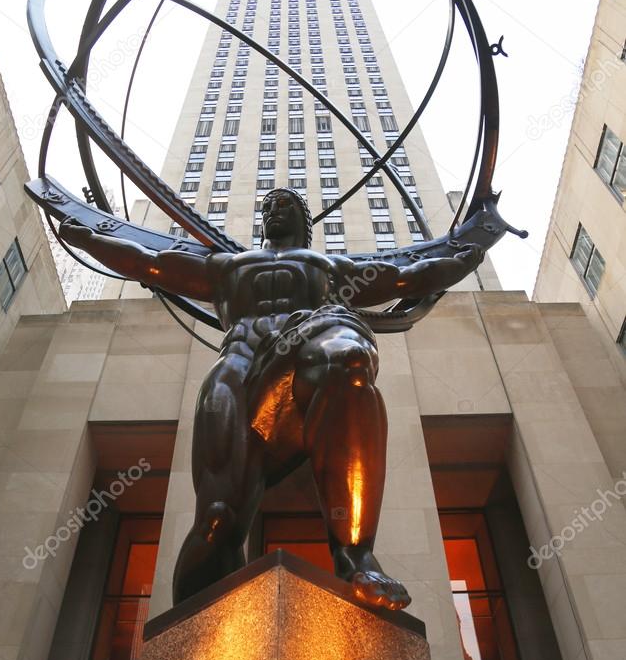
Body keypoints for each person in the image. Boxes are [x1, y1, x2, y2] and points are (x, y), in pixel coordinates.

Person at [60, 188, 483, 610]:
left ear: (306, 221)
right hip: (240, 367)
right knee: (218, 518)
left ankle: (355, 555)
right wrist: (89, 239)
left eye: (285, 204)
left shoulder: (331, 266)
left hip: (308, 345)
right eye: (267, 206)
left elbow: (405, 277)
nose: (273, 209)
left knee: (348, 359)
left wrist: (466, 257)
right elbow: (149, 263)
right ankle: (193, 634)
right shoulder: (228, 266)